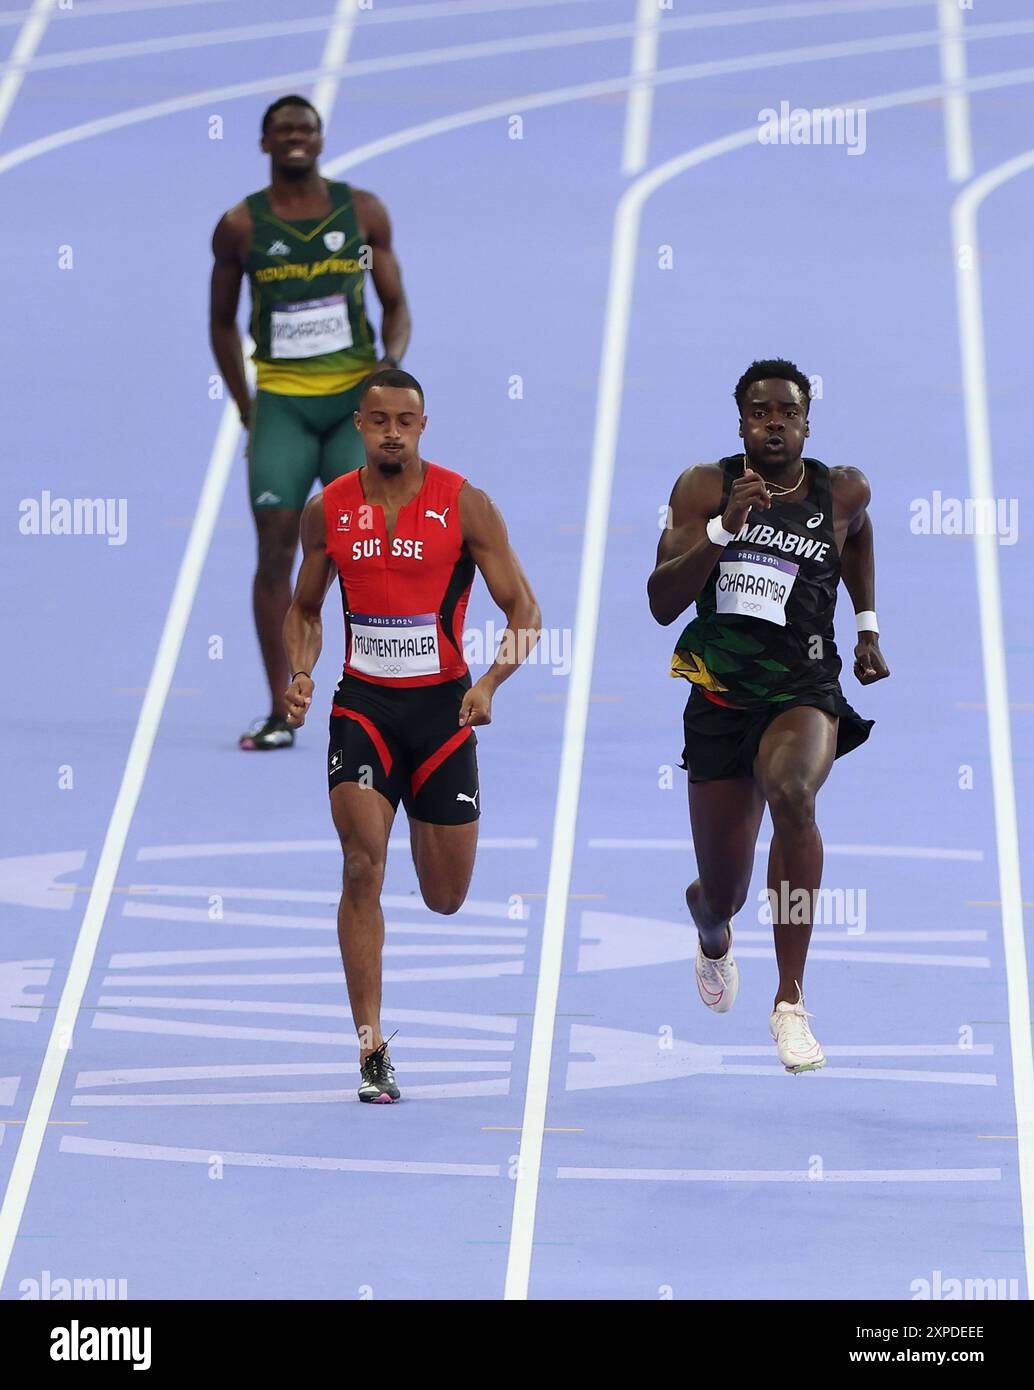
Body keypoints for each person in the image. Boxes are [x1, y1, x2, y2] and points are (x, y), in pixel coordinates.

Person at [282, 369, 541, 1102]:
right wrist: (302, 671)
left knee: (445, 896)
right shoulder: (326, 512)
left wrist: (490, 683)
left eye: (406, 420)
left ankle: (429, 823)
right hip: (362, 710)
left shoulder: (466, 506)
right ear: (359, 426)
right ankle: (369, 1045)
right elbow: (304, 611)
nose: (392, 431)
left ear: (423, 426)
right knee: (363, 865)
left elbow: (525, 610)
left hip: (444, 716)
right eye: (378, 420)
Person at [647, 359, 889, 1073]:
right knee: (722, 891)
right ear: (742, 423)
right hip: (719, 697)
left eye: (786, 411)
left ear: (807, 423)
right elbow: (662, 602)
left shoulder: (839, 490)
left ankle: (789, 1002)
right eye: (759, 411)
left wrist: (867, 624)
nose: (773, 422)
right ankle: (713, 931)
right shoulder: (702, 489)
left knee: (793, 794)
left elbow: (860, 533)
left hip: (803, 690)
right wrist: (724, 529)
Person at [209, 93, 411, 750]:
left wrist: (387, 372)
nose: (295, 137)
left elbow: (396, 306)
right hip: (284, 408)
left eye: (306, 128)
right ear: (265, 144)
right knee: (276, 552)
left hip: (352, 407)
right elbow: (220, 322)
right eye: (282, 129)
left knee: (371, 547)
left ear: (320, 141)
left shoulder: (363, 212)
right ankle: (279, 705)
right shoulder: (240, 225)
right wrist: (247, 406)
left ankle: (386, 691)